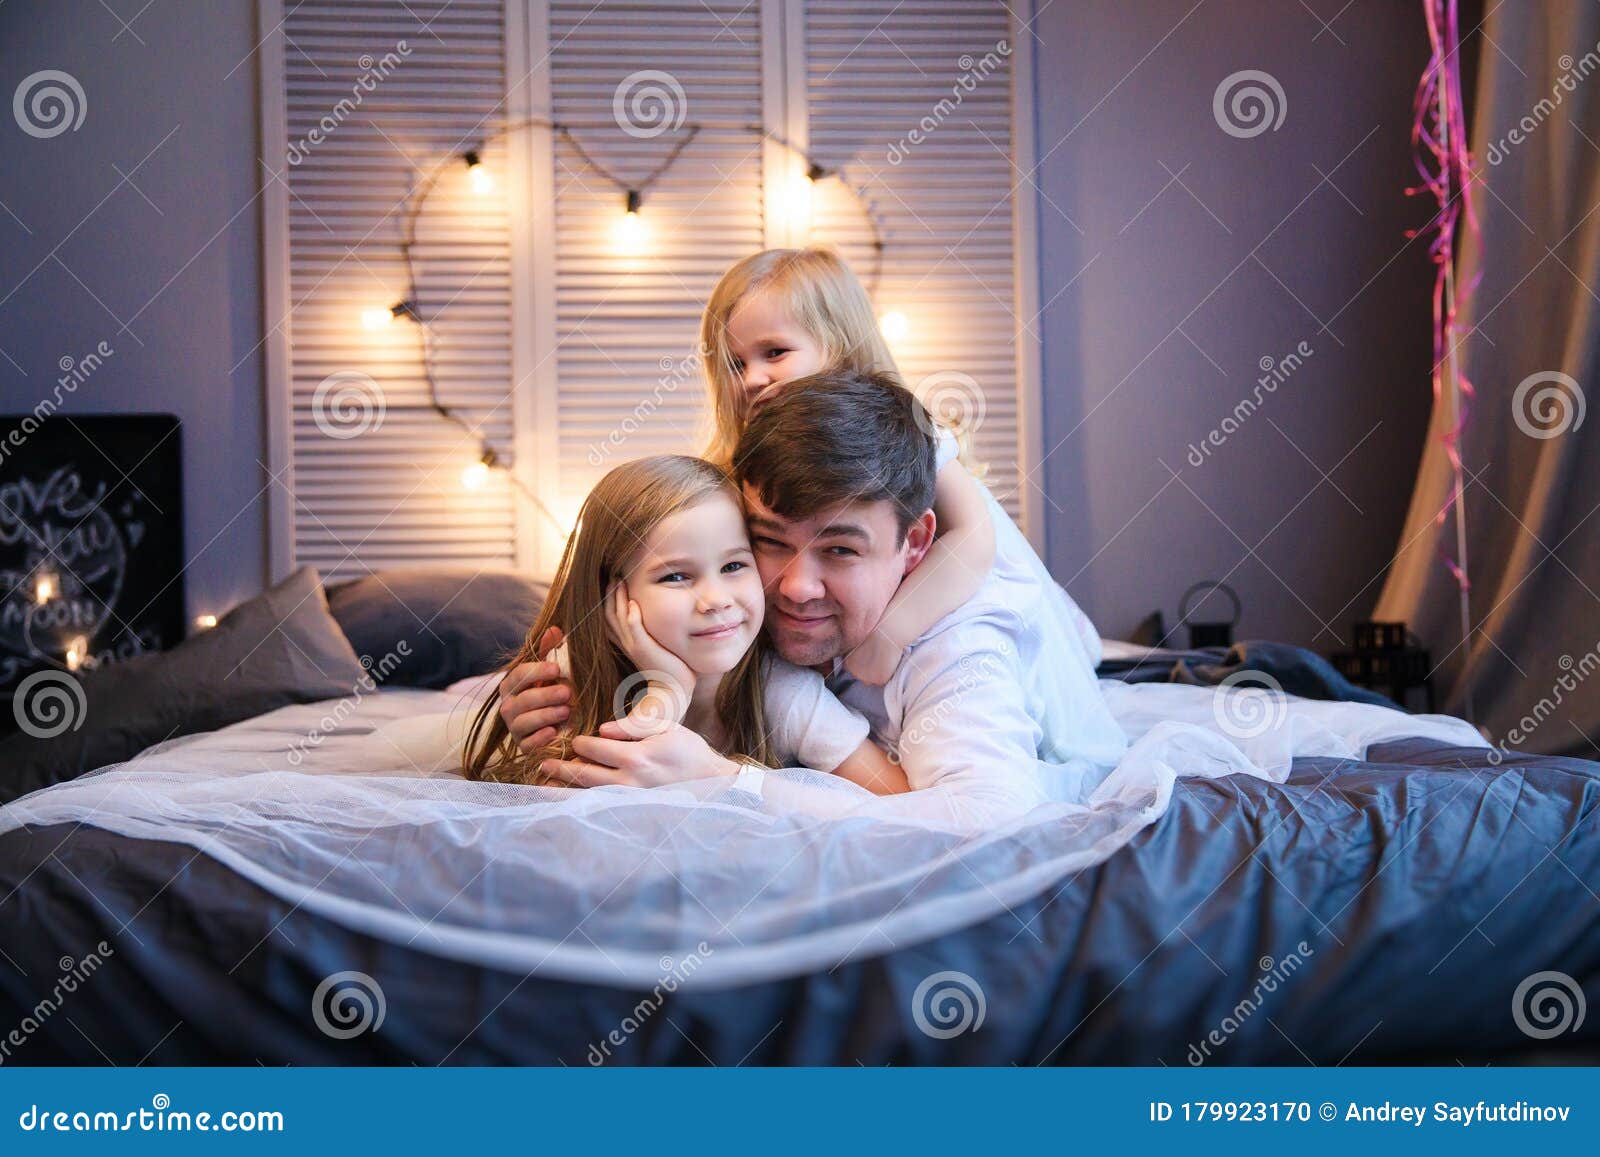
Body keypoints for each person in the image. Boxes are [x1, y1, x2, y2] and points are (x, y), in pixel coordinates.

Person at [501, 373, 1128, 830]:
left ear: (915, 544)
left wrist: (726, 783)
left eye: (840, 551)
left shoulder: (961, 650)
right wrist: (529, 692)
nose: (796, 589)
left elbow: (989, 822)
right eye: (769, 542)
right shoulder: (736, 604)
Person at [463, 454, 907, 795]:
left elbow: (895, 800)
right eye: (676, 576)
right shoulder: (573, 680)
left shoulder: (782, 695)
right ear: (612, 594)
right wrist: (665, 692)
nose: (715, 600)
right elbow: (585, 811)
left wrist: (728, 776)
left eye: (734, 565)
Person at [699, 246, 997, 683]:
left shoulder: (912, 433)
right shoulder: (745, 464)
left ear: (840, 344)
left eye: (775, 352)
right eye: (735, 363)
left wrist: (888, 637)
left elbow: (974, 537)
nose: (753, 378)